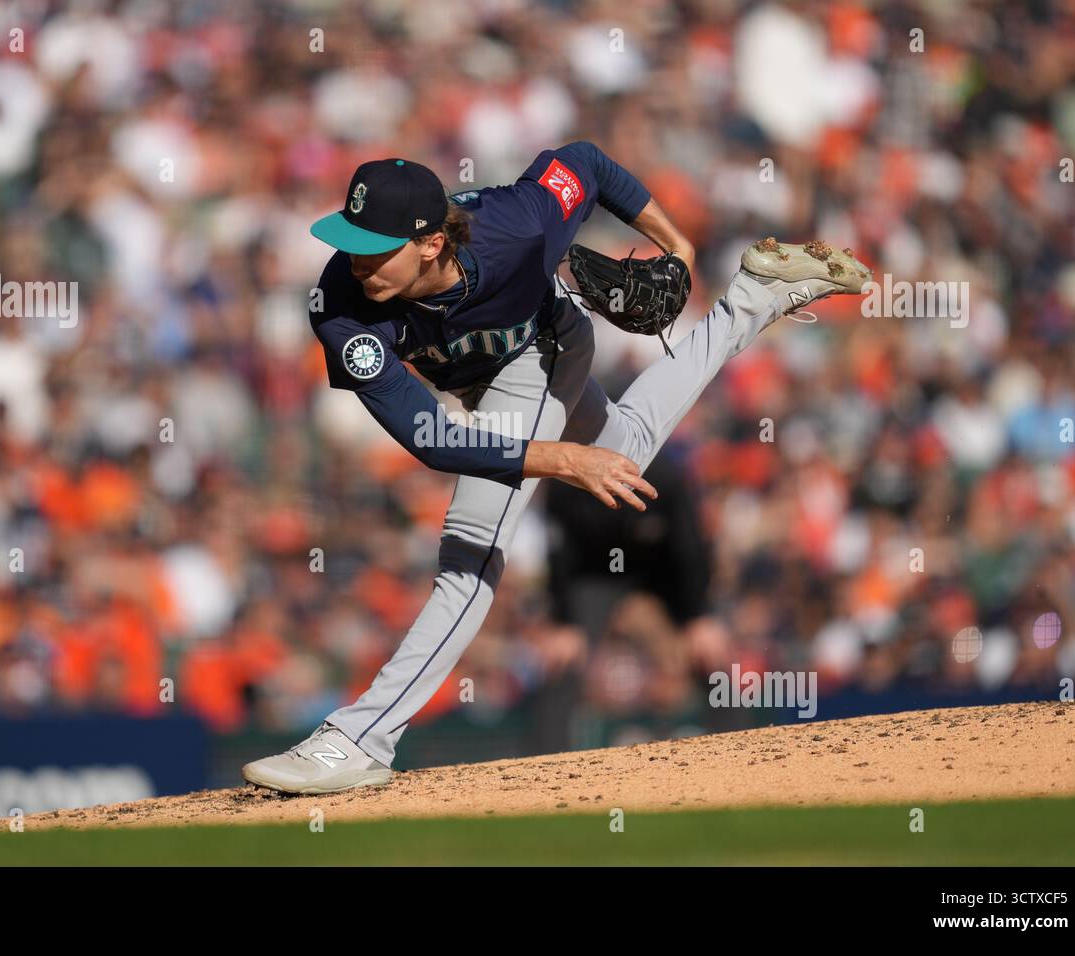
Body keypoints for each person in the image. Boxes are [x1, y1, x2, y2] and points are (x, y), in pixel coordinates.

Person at [241, 142, 870, 794]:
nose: (356, 257)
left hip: (540, 348)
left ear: (430, 244)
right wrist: (563, 459)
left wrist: (677, 245)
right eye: (350, 238)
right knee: (620, 455)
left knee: (470, 556)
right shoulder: (339, 305)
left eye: (374, 244)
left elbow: (586, 164)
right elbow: (430, 439)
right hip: (480, 386)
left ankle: (359, 739)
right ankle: (756, 297)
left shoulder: (519, 225)